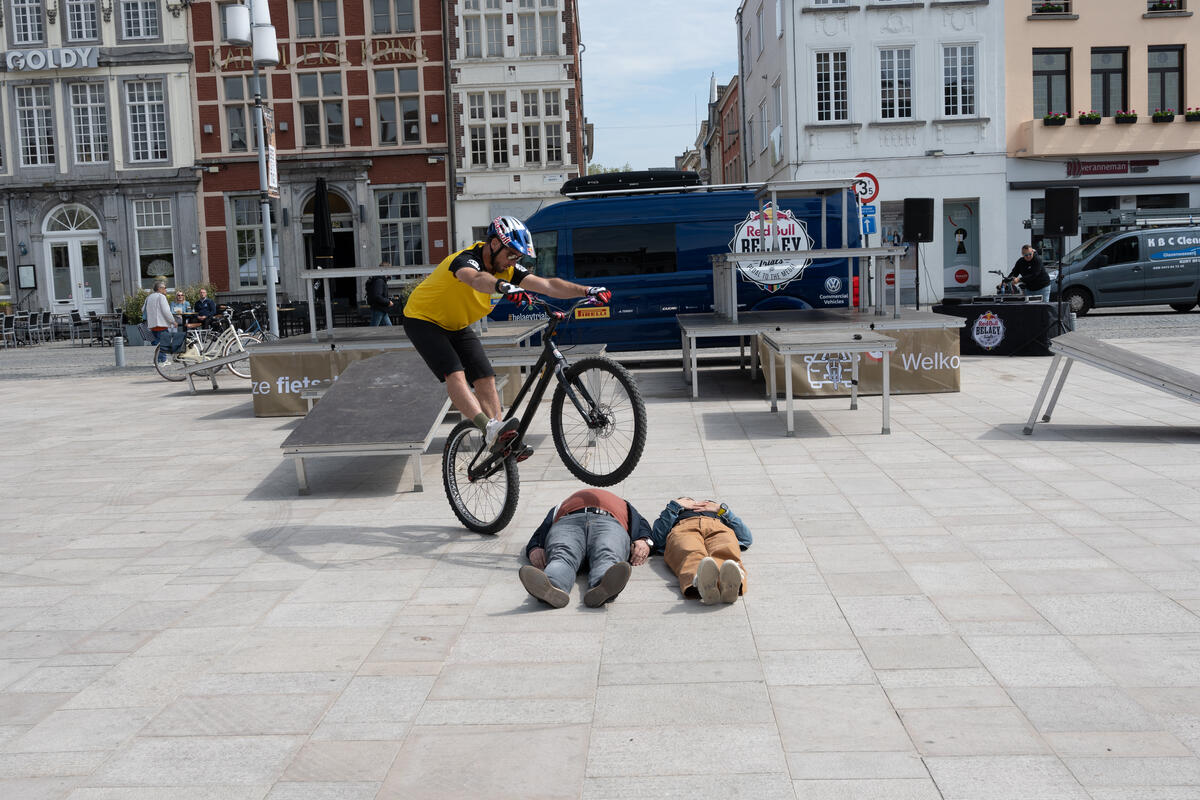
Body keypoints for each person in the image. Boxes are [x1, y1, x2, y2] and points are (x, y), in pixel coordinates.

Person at [403, 215, 610, 457]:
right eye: (511, 254)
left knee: (485, 377)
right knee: (455, 373)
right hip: (422, 319)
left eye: (519, 256)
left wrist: (587, 290)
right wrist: (502, 287)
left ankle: (500, 438)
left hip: (456, 324)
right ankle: (488, 428)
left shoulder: (508, 269)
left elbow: (548, 285)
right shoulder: (465, 260)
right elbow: (476, 279)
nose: (514, 260)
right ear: (493, 244)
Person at [520, 488, 653, 609]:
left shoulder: (624, 505)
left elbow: (642, 523)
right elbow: (544, 527)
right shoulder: (561, 505)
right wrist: (535, 547)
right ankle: (551, 586)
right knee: (562, 555)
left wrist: (644, 540)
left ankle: (603, 586)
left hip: (609, 522)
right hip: (568, 522)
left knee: (607, 552)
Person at [649, 497, 752, 604]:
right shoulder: (675, 511)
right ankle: (700, 582)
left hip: (717, 526)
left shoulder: (719, 514)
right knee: (690, 552)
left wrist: (721, 510)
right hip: (684, 527)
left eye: (706, 503)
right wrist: (675, 506)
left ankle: (729, 584)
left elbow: (746, 538)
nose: (697, 503)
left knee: (726, 548)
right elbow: (657, 539)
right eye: (688, 500)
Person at [144, 281, 177, 351]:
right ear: (160, 288)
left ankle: (159, 360)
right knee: (164, 343)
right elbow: (166, 311)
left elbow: (143, 309)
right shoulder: (161, 297)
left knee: (157, 345)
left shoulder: (149, 297)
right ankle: (162, 360)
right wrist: (173, 321)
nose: (166, 290)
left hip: (152, 325)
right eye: (165, 288)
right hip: (161, 324)